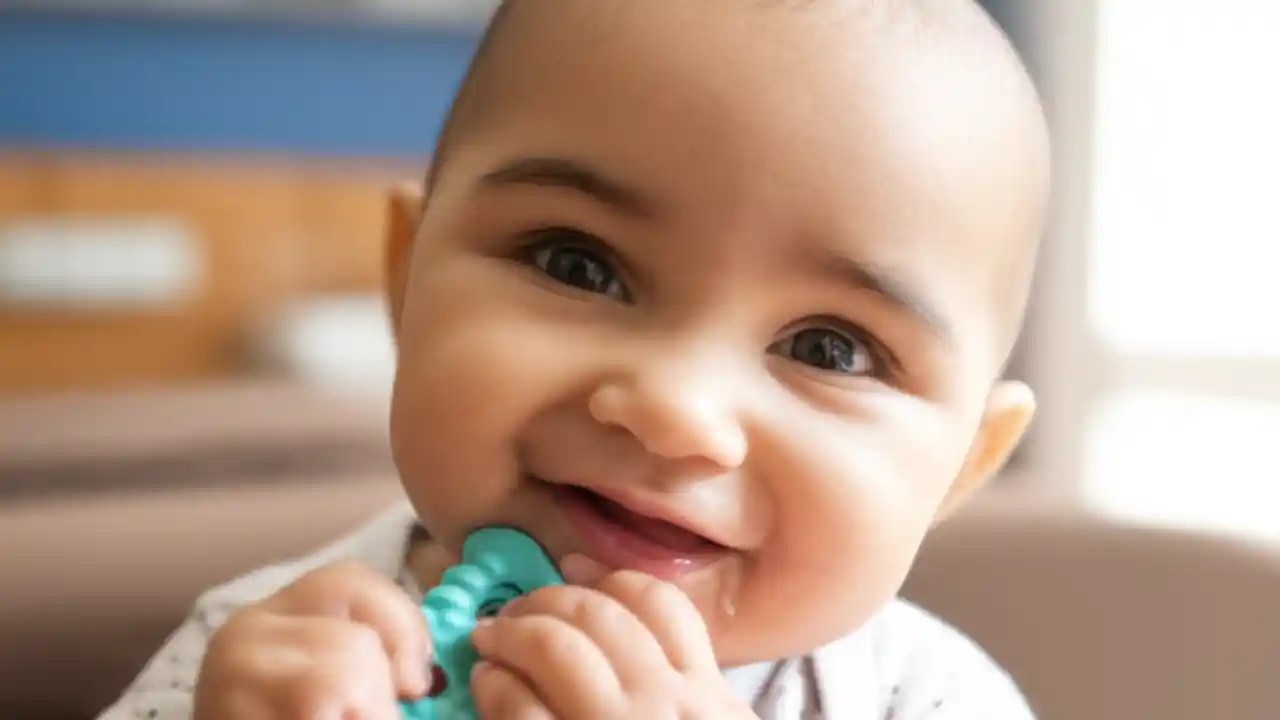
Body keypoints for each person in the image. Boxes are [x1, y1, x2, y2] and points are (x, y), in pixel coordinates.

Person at [101, 0, 1051, 717]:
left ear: (961, 466)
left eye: (828, 348)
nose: (674, 405)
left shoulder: (927, 698)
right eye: (579, 264)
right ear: (407, 282)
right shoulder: (256, 654)